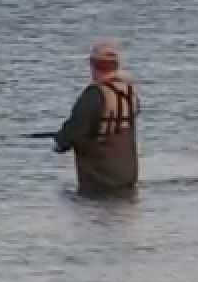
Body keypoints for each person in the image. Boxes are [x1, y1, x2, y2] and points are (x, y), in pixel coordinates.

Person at [54, 40, 140, 194]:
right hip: (128, 178)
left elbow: (71, 133)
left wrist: (60, 140)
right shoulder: (129, 93)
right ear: (116, 65)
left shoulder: (94, 95)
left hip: (99, 182)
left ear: (93, 65)